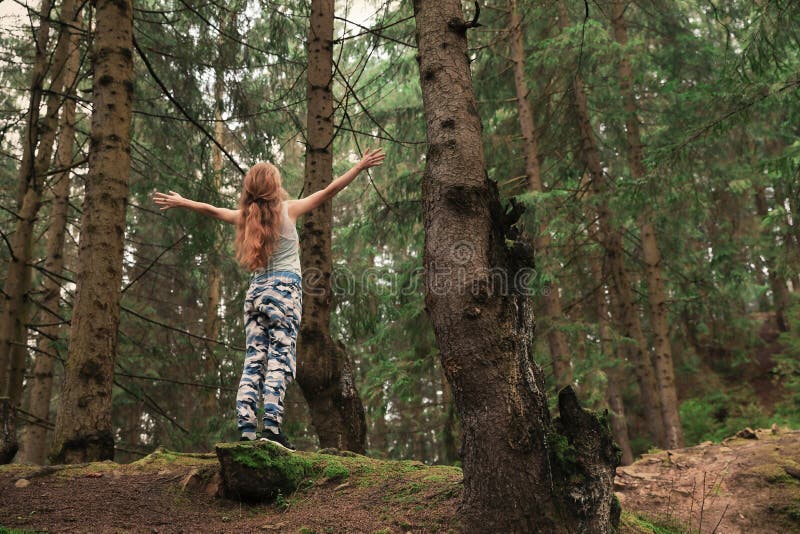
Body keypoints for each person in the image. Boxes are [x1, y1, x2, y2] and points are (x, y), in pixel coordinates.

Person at [153, 148, 385, 449]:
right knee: (280, 358)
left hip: (255, 294)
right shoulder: (289, 210)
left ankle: (247, 428)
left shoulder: (245, 217)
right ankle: (272, 429)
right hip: (284, 293)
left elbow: (213, 210)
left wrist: (184, 202)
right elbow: (329, 191)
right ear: (274, 186)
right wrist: (359, 166)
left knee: (254, 360)